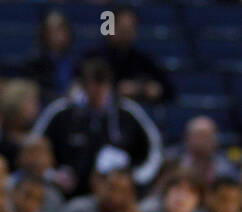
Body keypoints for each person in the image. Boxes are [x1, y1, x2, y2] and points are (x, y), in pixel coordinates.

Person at [33, 57, 163, 196]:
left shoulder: (127, 112)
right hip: (68, 193)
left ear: (109, 85)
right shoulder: (62, 111)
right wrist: (52, 175)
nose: (98, 91)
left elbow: (154, 149)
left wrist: (135, 178)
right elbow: (33, 148)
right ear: (83, 85)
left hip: (117, 193)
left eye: (102, 84)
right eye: (93, 84)